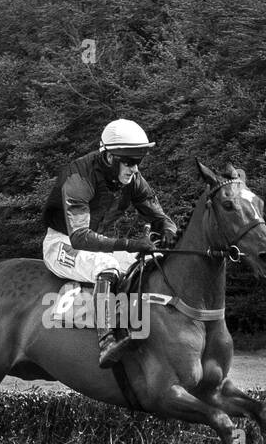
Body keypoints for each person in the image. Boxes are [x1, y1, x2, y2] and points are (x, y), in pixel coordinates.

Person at [39, 119, 178, 367]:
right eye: (129, 162)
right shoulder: (78, 178)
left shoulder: (131, 178)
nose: (134, 169)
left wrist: (168, 228)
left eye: (138, 162)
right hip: (62, 242)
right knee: (107, 266)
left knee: (148, 261)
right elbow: (79, 236)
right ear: (109, 158)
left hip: (94, 242)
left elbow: (159, 214)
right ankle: (106, 341)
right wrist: (130, 243)